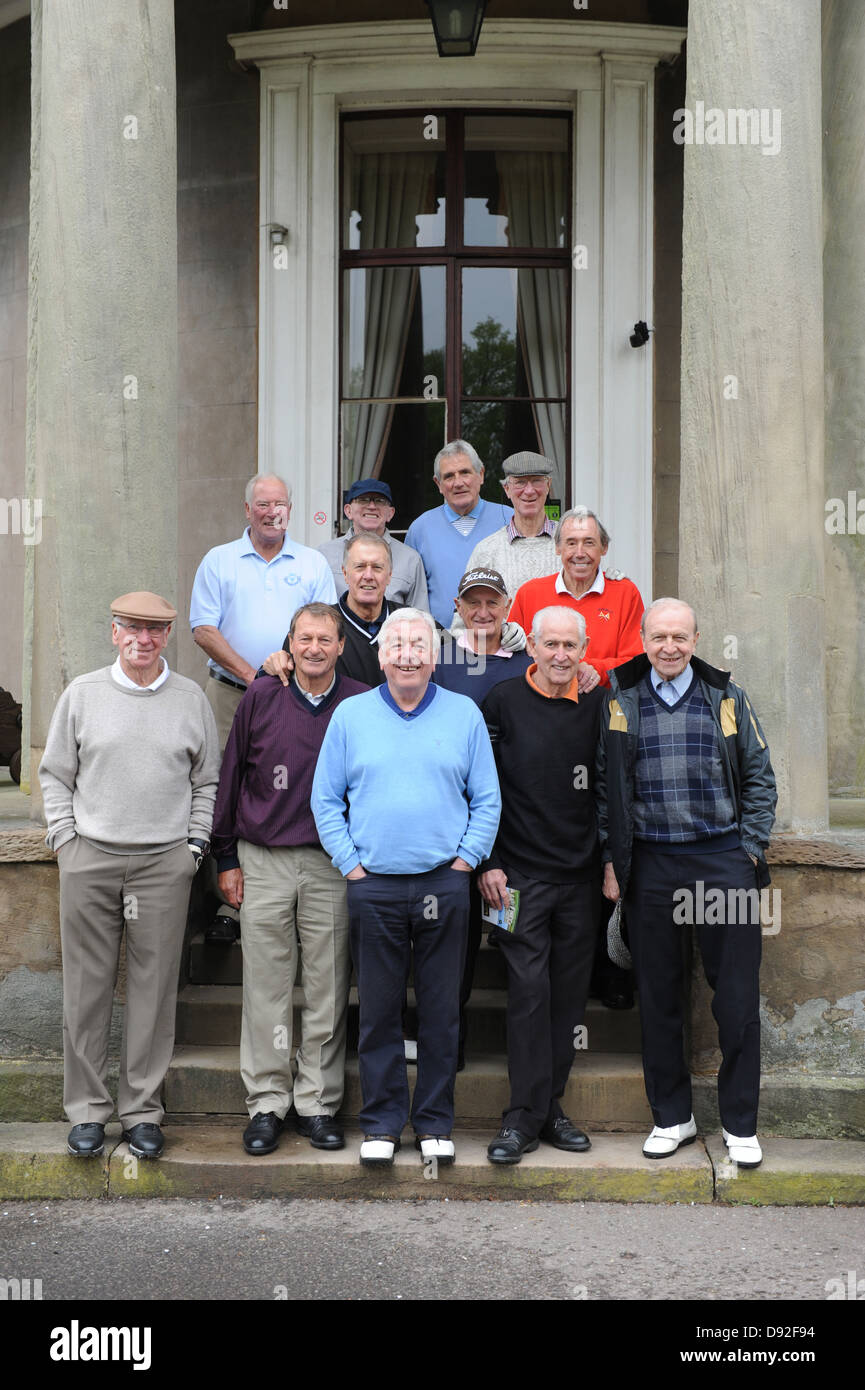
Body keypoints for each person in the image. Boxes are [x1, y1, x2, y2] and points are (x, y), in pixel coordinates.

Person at [311, 609, 501, 1168]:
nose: (409, 654)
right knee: (378, 1011)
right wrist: (351, 866)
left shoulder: (463, 714)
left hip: (445, 882)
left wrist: (465, 863)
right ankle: (383, 1122)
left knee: (442, 1010)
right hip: (374, 886)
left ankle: (436, 1122)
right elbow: (325, 800)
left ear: (435, 654)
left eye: (419, 644)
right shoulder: (351, 716)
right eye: (397, 645)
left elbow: (487, 799)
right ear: (382, 655)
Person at [595, 598, 777, 1168]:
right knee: (659, 997)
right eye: (658, 637)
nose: (668, 646)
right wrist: (612, 859)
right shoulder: (620, 698)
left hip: (721, 860)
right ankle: (672, 1116)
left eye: (679, 636)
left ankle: (741, 1123)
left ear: (696, 639)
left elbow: (760, 777)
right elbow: (605, 788)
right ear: (643, 640)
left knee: (737, 998)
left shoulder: (727, 697)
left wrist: (748, 849)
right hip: (651, 864)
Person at [39, 592, 219, 1161]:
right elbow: (54, 775)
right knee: (87, 991)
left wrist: (193, 846)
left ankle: (142, 1111)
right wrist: (66, 842)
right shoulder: (83, 694)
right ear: (114, 633)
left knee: (153, 991)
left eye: (155, 631)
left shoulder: (190, 698)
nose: (144, 640)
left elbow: (206, 782)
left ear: (167, 637)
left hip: (163, 863)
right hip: (90, 857)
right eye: (133, 630)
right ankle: (88, 1113)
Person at [211, 603, 368, 1156]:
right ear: (291, 643)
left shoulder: (357, 703)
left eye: (325, 639)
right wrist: (225, 856)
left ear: (340, 646)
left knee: (327, 987)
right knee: (267, 987)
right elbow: (232, 774)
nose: (314, 648)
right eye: (305, 639)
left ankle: (317, 1103)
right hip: (264, 859)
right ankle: (267, 1103)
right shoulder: (262, 694)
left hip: (330, 864)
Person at [478, 607, 604, 1163]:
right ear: (531, 645)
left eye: (569, 646)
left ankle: (548, 1108)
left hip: (580, 880)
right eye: (549, 643)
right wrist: (489, 862)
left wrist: (610, 863)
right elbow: (479, 788)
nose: (559, 655)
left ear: (584, 649)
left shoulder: (601, 703)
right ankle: (520, 1119)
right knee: (528, 993)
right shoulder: (501, 701)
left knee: (567, 997)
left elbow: (610, 789)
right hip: (514, 880)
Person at [190, 474, 336, 942]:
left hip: (295, 695)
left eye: (280, 504)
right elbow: (203, 630)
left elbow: (324, 628)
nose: (271, 511)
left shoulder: (311, 562)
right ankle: (226, 903)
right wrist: (256, 679)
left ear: (290, 509)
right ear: (247, 508)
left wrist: (282, 680)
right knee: (221, 785)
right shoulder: (220, 560)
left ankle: (292, 896)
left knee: (287, 782)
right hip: (232, 692)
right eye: (262, 504)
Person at [507, 507, 643, 690]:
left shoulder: (625, 593)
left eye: (589, 543)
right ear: (557, 548)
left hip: (604, 705)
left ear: (604, 548)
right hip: (543, 703)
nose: (580, 553)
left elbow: (637, 663)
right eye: (571, 543)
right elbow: (513, 657)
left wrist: (593, 670)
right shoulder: (529, 593)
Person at [262, 533, 401, 689]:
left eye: (377, 567)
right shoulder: (315, 625)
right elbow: (281, 676)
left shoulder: (417, 623)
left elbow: (434, 676)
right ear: (345, 573)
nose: (368, 576)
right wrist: (273, 665)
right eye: (359, 567)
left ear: (389, 575)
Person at [404, 441, 512, 627]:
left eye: (465, 473)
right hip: (440, 643)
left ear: (481, 475)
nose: (458, 483)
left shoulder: (509, 519)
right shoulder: (420, 529)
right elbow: (409, 592)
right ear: (438, 484)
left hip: (501, 640)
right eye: (449, 476)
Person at [318, 477, 429, 609]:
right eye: (363, 500)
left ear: (390, 513)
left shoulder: (410, 559)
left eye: (380, 501)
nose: (371, 506)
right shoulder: (323, 555)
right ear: (348, 511)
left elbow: (420, 615)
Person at [461, 451, 558, 599]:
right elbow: (466, 610)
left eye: (537, 481)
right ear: (507, 489)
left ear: (548, 485)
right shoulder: (487, 550)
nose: (530, 491)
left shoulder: (570, 542)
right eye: (520, 482)